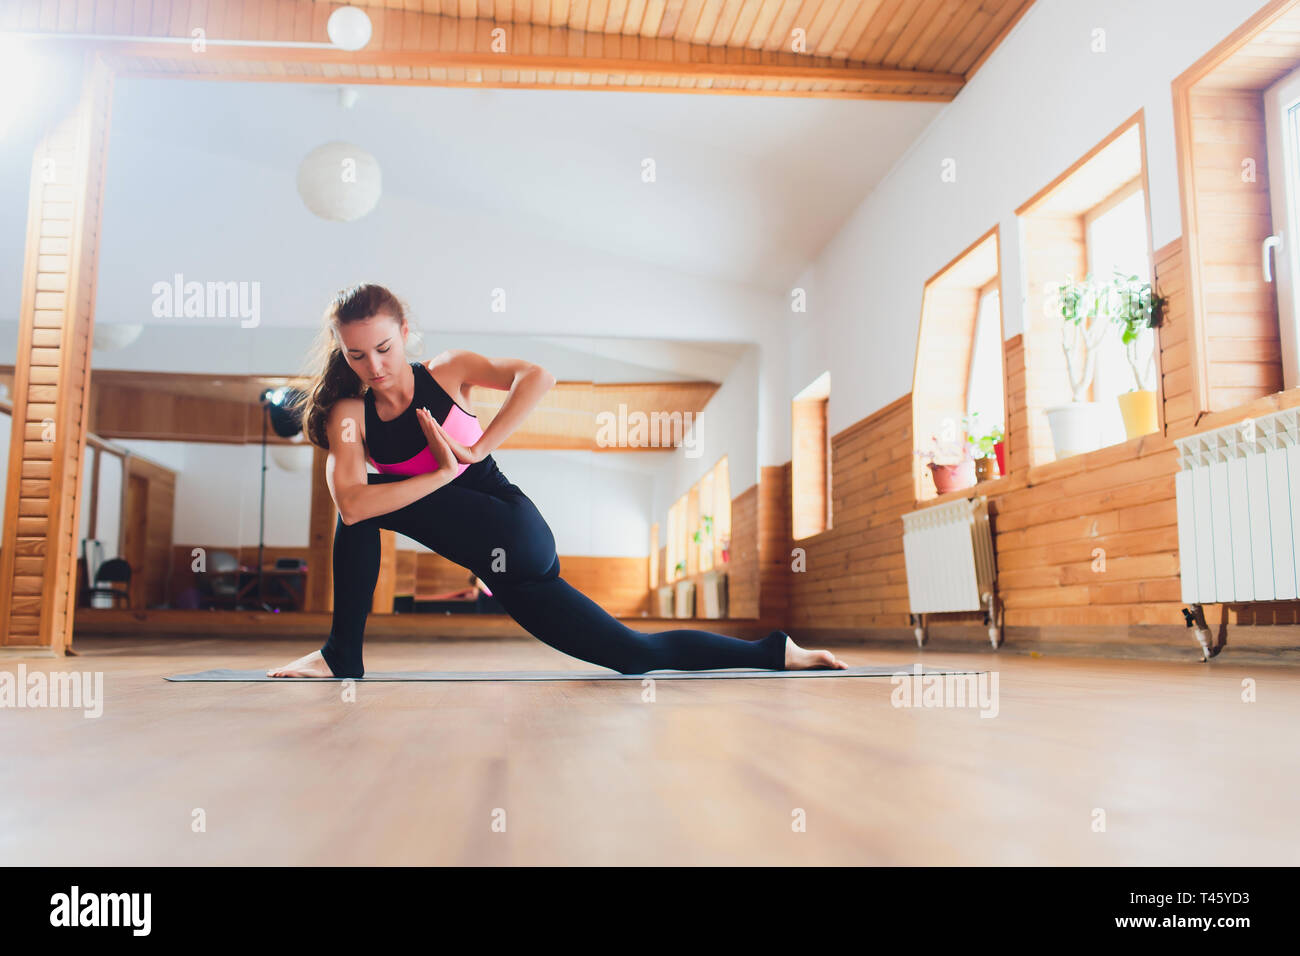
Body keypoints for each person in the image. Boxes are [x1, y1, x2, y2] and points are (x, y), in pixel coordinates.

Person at [267, 283, 847, 678]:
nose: (375, 365)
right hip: (515, 579)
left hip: (513, 532)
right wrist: (441, 475)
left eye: (385, 347)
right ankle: (779, 652)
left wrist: (472, 451)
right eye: (358, 355)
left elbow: (537, 376)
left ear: (406, 332)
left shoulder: (449, 371)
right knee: (632, 656)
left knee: (367, 507)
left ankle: (341, 654)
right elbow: (349, 500)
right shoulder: (349, 415)